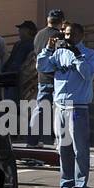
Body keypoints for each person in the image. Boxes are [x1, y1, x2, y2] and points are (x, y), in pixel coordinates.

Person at [37, 21, 94, 188]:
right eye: (66, 34)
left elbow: (87, 74)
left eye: (71, 34)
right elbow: (42, 66)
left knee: (80, 149)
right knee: (63, 149)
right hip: (60, 105)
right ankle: (66, 186)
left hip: (77, 106)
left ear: (81, 36)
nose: (67, 37)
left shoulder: (90, 54)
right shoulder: (59, 52)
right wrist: (48, 49)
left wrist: (77, 55)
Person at [29, 8, 65, 142]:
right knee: (59, 111)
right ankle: (59, 141)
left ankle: (32, 140)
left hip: (42, 77)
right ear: (61, 22)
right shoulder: (60, 36)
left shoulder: (39, 35)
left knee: (39, 109)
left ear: (48, 20)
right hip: (57, 78)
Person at [3, 19, 37, 105]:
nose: (19, 31)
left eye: (21, 29)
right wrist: (4, 70)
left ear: (28, 31)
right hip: (11, 77)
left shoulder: (32, 45)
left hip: (22, 78)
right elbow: (11, 59)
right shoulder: (18, 44)